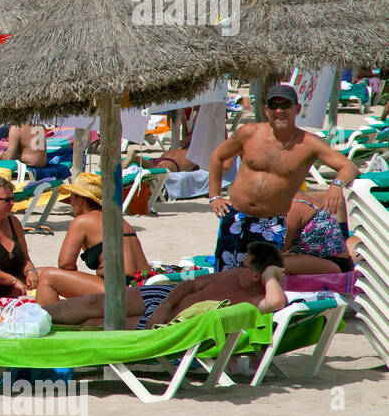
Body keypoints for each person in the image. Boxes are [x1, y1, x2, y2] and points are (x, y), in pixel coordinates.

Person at [208, 83, 357, 271]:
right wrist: (214, 196)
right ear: (266, 110)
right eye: (273, 106)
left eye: (285, 105)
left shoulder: (310, 143)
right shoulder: (249, 133)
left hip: (271, 224)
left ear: (297, 108)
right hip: (236, 217)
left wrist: (336, 185)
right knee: (225, 275)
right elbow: (217, 156)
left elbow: (348, 166)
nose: (279, 110)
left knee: (262, 278)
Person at [43, 242, 288, 330]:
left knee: (97, 324)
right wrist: (165, 305)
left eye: (246, 266)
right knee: (95, 303)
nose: (239, 267)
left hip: (174, 324)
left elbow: (277, 302)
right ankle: (36, 318)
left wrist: (270, 274)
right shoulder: (234, 275)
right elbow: (191, 285)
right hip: (165, 297)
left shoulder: (258, 300)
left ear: (258, 276)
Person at [34, 172, 152, 303]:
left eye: (72, 198)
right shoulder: (118, 219)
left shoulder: (82, 221)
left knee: (48, 276)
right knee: (35, 272)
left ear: (81, 200)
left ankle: (49, 319)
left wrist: (71, 284)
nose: (70, 203)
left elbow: (65, 264)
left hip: (120, 288)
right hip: (144, 284)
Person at [284, 192, 356, 274]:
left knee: (271, 263)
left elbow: (278, 248)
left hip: (333, 264)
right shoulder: (295, 198)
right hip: (331, 260)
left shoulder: (293, 208)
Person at [0, 122, 70, 180]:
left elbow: (9, 159)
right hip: (41, 163)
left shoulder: (16, 127)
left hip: (28, 166)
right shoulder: (37, 124)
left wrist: (0, 157)